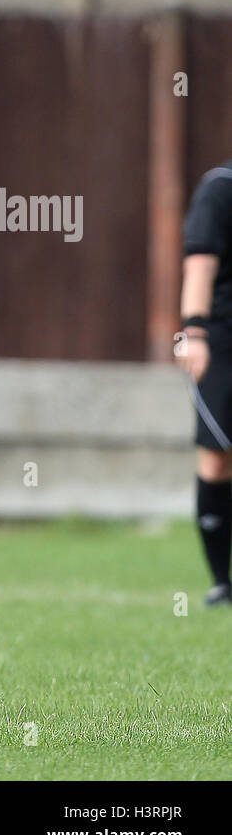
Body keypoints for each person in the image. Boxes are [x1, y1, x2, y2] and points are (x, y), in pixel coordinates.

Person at [177, 157, 232, 605]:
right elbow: (199, 265)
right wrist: (194, 332)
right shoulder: (220, 188)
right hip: (223, 338)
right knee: (217, 458)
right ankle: (221, 581)